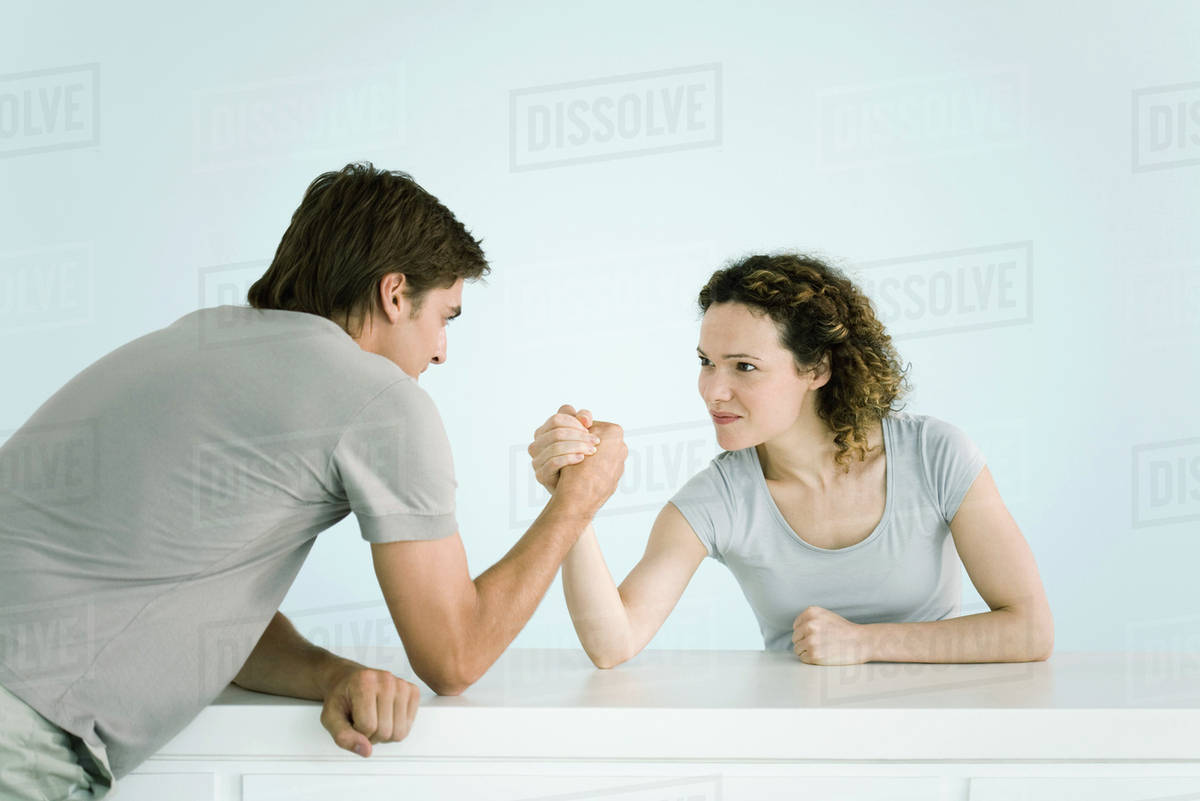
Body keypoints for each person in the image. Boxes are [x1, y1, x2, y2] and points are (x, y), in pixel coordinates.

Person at [0, 162, 627, 797]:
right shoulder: (381, 401)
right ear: (394, 294)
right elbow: (454, 657)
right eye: (445, 317)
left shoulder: (198, 340)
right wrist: (577, 499)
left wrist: (331, 675)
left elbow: (205, 618)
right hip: (22, 731)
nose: (441, 351)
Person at [528, 253, 1053, 668]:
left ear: (816, 368)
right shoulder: (717, 500)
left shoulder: (936, 455)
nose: (713, 390)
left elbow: (1029, 629)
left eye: (744, 367)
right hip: (796, 742)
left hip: (932, 735)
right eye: (707, 363)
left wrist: (865, 642)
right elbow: (613, 643)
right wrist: (575, 501)